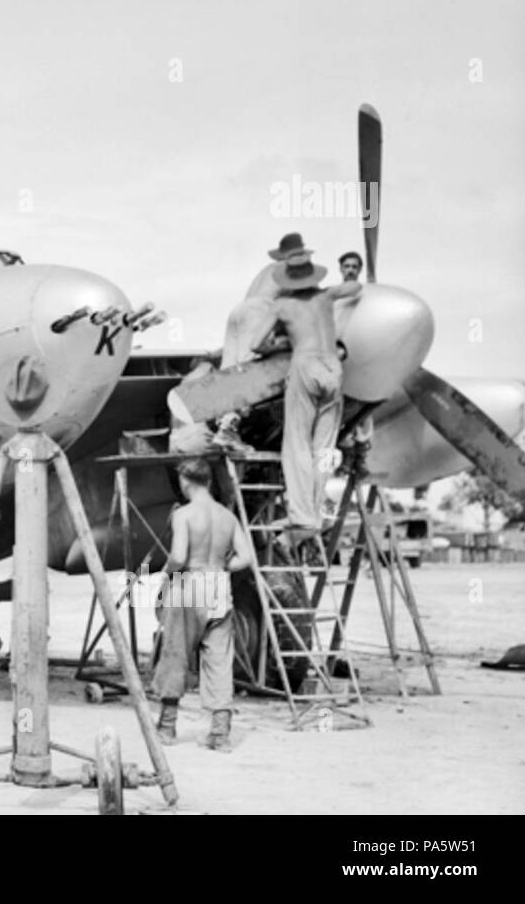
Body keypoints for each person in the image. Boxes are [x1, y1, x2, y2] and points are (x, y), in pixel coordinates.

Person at [247, 256, 362, 535]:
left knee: (297, 443)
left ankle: (302, 515)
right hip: (333, 369)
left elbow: (255, 344)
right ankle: (316, 509)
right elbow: (355, 288)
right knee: (323, 448)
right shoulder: (326, 296)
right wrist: (351, 277)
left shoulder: (282, 305)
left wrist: (285, 342)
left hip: (306, 365)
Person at [152, 458, 254, 750]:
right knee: (219, 660)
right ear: (209, 481)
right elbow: (245, 557)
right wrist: (223, 566)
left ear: (185, 481)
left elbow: (179, 556)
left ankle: (167, 728)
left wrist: (166, 573)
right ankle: (220, 734)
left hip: (189, 586)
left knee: (175, 654)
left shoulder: (183, 514)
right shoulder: (227, 516)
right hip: (219, 587)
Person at [211, 233, 314, 451]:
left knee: (230, 371)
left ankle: (223, 425)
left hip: (239, 311)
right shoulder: (291, 270)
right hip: (260, 312)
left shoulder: (266, 271)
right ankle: (228, 430)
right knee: (251, 372)